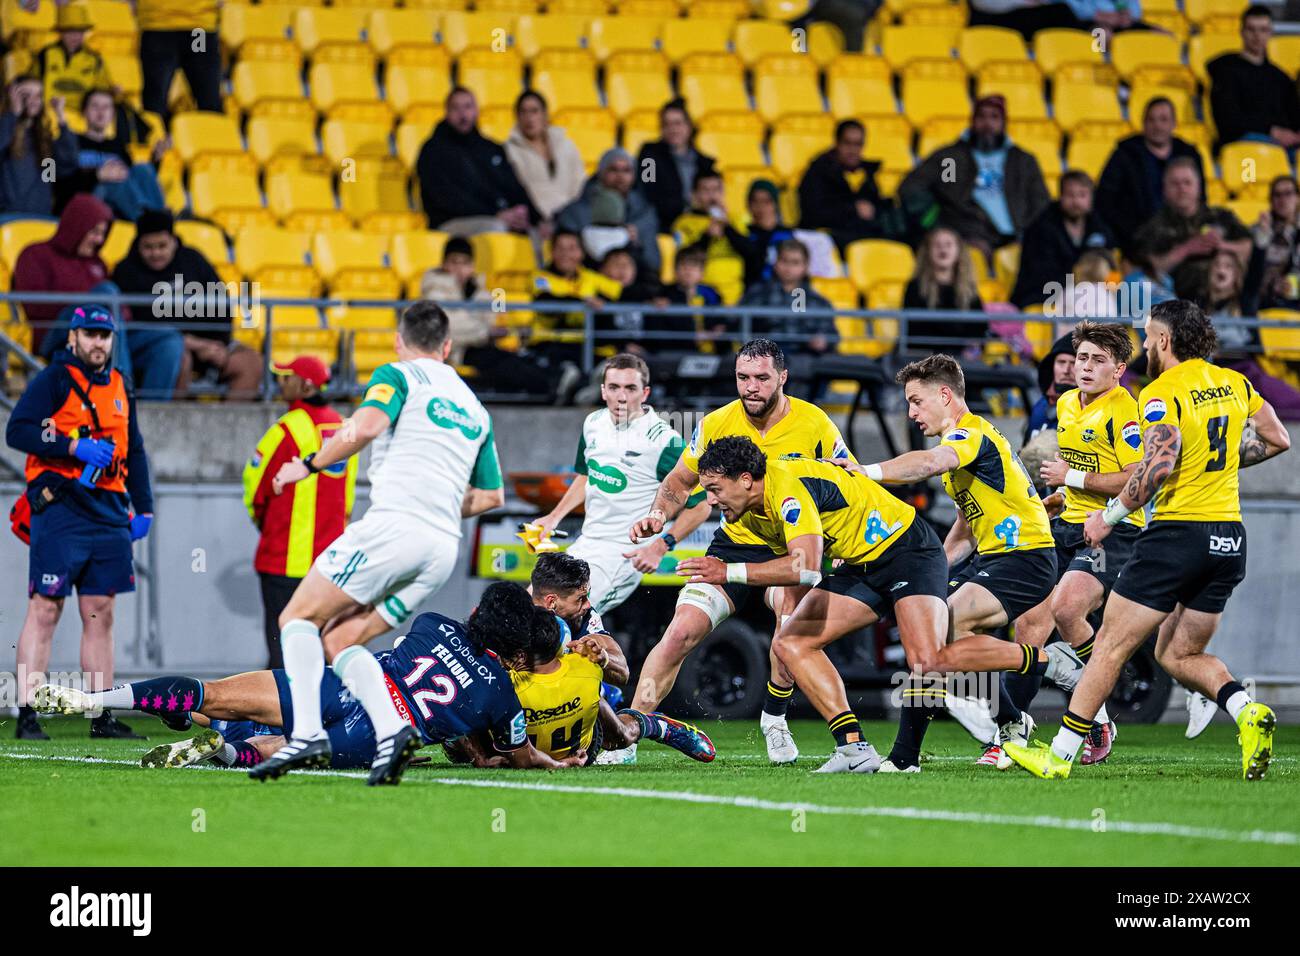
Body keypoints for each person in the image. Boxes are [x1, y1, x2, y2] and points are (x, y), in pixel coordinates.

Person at [1005, 299, 1292, 780]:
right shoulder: (1236, 383)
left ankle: (1057, 757)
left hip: (1177, 534)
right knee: (1177, 655)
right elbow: (1277, 438)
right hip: (1228, 539)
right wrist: (1212, 465)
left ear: (1163, 339)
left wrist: (1110, 515)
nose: (1146, 344)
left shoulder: (1161, 393)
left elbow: (1155, 468)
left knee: (1109, 647)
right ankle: (1246, 710)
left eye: (1148, 334)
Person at [247, 301, 506, 786]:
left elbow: (364, 427)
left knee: (295, 618)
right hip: (441, 547)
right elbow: (492, 495)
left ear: (398, 341)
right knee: (340, 639)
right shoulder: (475, 407)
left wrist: (309, 465)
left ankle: (304, 736)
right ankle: (392, 732)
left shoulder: (398, 375)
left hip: (394, 527)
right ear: (448, 347)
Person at [34, 584, 593, 772]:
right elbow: (519, 756)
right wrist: (556, 761)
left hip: (344, 682)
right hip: (380, 729)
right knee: (279, 747)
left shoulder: (432, 624)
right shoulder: (501, 699)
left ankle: (95, 697)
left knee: (217, 694)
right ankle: (223, 752)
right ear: (514, 649)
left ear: (476, 617)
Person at [618, 338, 855, 766]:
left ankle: (775, 719)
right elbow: (678, 482)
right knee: (679, 633)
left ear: (783, 377)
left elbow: (849, 479)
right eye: (743, 378)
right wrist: (658, 515)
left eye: (762, 378)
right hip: (732, 547)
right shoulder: (715, 423)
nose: (751, 387)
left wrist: (839, 542)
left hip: (790, 547)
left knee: (788, 628)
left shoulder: (815, 423)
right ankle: (630, 734)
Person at [833, 354, 1064, 772]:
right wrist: (928, 572)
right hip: (995, 558)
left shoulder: (970, 436)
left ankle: (1044, 665)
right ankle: (995, 726)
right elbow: (966, 528)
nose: (912, 413)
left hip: (1026, 559)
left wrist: (865, 470)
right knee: (932, 646)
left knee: (941, 633)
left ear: (945, 394)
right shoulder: (962, 449)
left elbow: (926, 463)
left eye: (916, 402)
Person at [679, 437, 949, 774]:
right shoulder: (745, 512)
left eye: (716, 489)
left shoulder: (786, 490)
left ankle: (1009, 711)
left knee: (927, 660)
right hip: (859, 565)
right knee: (792, 642)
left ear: (745, 479)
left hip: (907, 550)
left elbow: (804, 566)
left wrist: (727, 571)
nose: (711, 499)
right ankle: (854, 748)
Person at [998, 323, 1147, 767]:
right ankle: (1084, 717)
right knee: (1028, 625)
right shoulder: (1065, 403)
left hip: (1114, 527)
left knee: (1066, 609)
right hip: (1068, 524)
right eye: (1082, 358)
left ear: (1119, 369)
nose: (1085, 367)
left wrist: (1073, 479)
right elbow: (1082, 475)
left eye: (1098, 360)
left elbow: (1137, 479)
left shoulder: (1125, 412)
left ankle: (1085, 710)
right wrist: (1060, 497)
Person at [6, 304, 153, 741]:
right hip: (62, 507)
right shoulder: (55, 378)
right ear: (73, 338)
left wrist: (144, 507)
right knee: (46, 607)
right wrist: (72, 447)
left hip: (109, 510)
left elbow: (136, 448)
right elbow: (18, 430)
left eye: (104, 336)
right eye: (89, 334)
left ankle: (100, 714)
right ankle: (28, 714)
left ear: (112, 340)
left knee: (101, 612)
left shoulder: (121, 383)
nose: (97, 343)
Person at [534, 353, 711, 618]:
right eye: (614, 387)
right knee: (530, 610)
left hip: (622, 556)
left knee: (558, 621)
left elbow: (702, 506)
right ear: (603, 391)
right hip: (585, 543)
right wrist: (553, 517)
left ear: (645, 392)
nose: (621, 396)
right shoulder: (593, 424)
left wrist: (659, 547)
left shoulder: (664, 441)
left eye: (630, 388)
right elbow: (586, 475)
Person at [242, 356, 358, 670]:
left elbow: (255, 488)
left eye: (286, 377)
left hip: (283, 558)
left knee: (282, 647)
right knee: (321, 645)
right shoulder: (345, 429)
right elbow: (347, 499)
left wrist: (265, 525)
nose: (280, 383)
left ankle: (280, 715)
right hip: (329, 563)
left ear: (305, 385)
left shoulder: (287, 429)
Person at [111, 208, 263, 398]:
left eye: (162, 245)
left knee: (251, 363)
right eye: (148, 247)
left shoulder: (193, 260)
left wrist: (218, 345)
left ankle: (220, 427)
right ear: (137, 245)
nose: (156, 253)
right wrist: (192, 344)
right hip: (165, 349)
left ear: (174, 241)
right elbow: (143, 323)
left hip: (208, 346)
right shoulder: (126, 271)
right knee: (178, 359)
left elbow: (221, 304)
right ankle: (176, 427)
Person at [900, 95, 1050, 257]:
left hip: (1017, 237)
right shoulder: (951, 159)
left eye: (994, 117)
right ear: (972, 121)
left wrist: (1029, 236)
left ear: (1004, 122)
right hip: (968, 235)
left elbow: (1040, 203)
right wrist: (942, 228)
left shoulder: (1022, 161)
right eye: (981, 117)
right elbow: (926, 190)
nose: (987, 124)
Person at [420, 236, 552, 396]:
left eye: (465, 263)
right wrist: (486, 332)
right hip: (455, 353)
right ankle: (552, 386)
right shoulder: (434, 291)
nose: (459, 269)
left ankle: (555, 381)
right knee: (503, 363)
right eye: (454, 262)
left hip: (481, 347)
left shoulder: (480, 291)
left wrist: (495, 329)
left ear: (472, 266)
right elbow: (449, 328)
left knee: (514, 359)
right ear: (444, 264)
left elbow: (495, 317)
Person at [416, 87, 538, 236]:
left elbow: (513, 186)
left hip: (497, 217)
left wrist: (524, 213)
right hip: (452, 223)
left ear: (476, 110)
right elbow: (447, 199)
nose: (462, 114)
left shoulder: (491, 149)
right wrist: (495, 214)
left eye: (467, 107)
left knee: (539, 234)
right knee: (495, 228)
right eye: (455, 108)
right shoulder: (433, 150)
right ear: (447, 112)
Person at [1131, 156, 1251, 301]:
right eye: (1175, 184)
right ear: (1165, 189)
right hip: (1176, 305)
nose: (1182, 189)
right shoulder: (1153, 225)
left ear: (1198, 186)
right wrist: (1185, 250)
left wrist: (1222, 245)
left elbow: (1249, 247)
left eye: (1187, 183)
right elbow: (1147, 272)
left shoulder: (1220, 216)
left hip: (1224, 302)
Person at [1094, 97, 1206, 252]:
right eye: (1151, 120)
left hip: (1182, 238)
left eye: (1163, 119)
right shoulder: (1124, 155)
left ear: (1174, 123)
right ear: (1143, 123)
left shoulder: (1189, 154)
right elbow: (1105, 201)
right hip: (1136, 242)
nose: (1157, 125)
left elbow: (1201, 198)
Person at [1200, 248, 1300, 421]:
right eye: (1216, 265)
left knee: (1284, 397)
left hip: (1243, 369)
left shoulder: (1244, 302)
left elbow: (1254, 277)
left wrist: (1260, 246)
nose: (1220, 269)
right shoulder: (1197, 304)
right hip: (1210, 374)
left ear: (1237, 275)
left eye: (1228, 266)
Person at [12, 192, 113, 358]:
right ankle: (118, 380)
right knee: (104, 294)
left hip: (98, 335)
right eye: (94, 232)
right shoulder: (35, 254)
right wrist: (85, 303)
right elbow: (34, 306)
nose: (99, 240)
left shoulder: (98, 263)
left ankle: (123, 380)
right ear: (77, 226)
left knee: (167, 343)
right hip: (54, 336)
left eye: (103, 234)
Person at [1011, 170, 1114, 309]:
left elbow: (1108, 264)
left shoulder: (1100, 227)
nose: (1076, 201)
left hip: (1087, 295)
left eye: (1082, 195)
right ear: (1060, 196)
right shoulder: (1041, 227)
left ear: (1091, 198)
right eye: (1070, 195)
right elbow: (1040, 276)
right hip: (1043, 296)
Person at [62, 88, 167, 220]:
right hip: (87, 198)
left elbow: (134, 182)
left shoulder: (117, 145)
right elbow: (59, 182)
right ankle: (149, 222)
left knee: (143, 169)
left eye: (106, 107)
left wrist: (156, 159)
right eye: (95, 106)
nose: (101, 112)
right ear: (84, 111)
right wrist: (97, 175)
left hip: (119, 203)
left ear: (112, 114)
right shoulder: (71, 141)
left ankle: (158, 218)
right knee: (115, 183)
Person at [1207, 5, 1300, 153]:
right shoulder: (1225, 72)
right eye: (1251, 29)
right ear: (1242, 32)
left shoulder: (1281, 78)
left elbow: (1294, 115)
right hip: (1244, 148)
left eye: (1263, 30)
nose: (1257, 36)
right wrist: (1271, 131)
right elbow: (1228, 121)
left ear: (1270, 33)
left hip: (1285, 148)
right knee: (1250, 173)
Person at [556, 147, 661, 274]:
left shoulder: (645, 213)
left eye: (626, 170)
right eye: (613, 169)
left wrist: (636, 243)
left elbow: (653, 263)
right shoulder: (575, 212)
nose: (620, 176)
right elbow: (565, 259)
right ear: (601, 172)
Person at [738, 238, 838, 358]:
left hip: (805, 362)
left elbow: (831, 334)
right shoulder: (757, 294)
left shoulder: (819, 303)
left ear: (805, 266)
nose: (788, 267)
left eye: (795, 262)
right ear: (776, 263)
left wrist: (823, 341)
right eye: (784, 261)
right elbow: (735, 323)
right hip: (763, 360)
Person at [796, 119, 884, 250]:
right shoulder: (818, 172)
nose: (853, 150)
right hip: (829, 238)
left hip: (861, 235)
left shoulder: (867, 174)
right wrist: (853, 209)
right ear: (837, 143)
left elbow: (876, 207)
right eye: (847, 143)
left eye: (858, 144)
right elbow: (812, 213)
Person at [637, 98, 718, 234]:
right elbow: (646, 191)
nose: (673, 129)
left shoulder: (705, 163)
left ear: (689, 126)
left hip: (699, 226)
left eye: (677, 123)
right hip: (663, 226)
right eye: (666, 125)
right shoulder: (649, 156)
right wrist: (687, 203)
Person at [0, 74, 77, 218]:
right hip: (8, 218)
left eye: (38, 96)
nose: (33, 101)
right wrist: (13, 115)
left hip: (42, 216)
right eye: (25, 95)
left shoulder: (44, 139)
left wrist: (61, 117)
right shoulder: (5, 128)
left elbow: (66, 165)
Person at [503, 90, 585, 223]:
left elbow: (579, 184)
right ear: (517, 117)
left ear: (545, 115)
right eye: (524, 112)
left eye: (534, 111)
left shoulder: (566, 145)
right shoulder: (508, 151)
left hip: (570, 219)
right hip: (534, 220)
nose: (529, 118)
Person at [903, 226, 985, 353]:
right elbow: (914, 331)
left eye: (948, 244)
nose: (943, 249)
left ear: (959, 251)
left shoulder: (969, 289)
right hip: (926, 360)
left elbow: (979, 329)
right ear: (928, 251)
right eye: (937, 245)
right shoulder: (915, 287)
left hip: (963, 361)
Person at [671, 170, 749, 303]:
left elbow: (750, 254)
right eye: (705, 190)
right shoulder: (683, 223)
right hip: (699, 293)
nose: (712, 196)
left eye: (716, 190)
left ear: (723, 193)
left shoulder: (737, 220)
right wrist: (707, 236)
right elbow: (684, 260)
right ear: (695, 194)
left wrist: (728, 228)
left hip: (736, 294)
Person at [136, 0, 221, 121]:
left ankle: (155, 137)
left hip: (159, 25)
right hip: (197, 27)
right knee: (208, 102)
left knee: (155, 102)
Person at [646, 246, 725, 352]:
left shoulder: (711, 293)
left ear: (702, 273)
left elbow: (721, 323)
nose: (688, 270)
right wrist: (655, 303)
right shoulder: (664, 292)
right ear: (675, 270)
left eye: (693, 266)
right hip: (675, 350)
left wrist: (712, 333)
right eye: (683, 265)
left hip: (710, 350)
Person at [34, 4, 113, 108]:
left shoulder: (95, 59)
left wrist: (114, 92)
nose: (75, 36)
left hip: (83, 118)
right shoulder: (45, 54)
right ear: (61, 32)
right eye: (70, 31)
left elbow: (103, 90)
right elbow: (32, 84)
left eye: (80, 31)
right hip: (49, 114)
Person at [1252, 175, 1300, 310]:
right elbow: (1250, 275)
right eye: (1277, 195)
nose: (1282, 200)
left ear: (1298, 198)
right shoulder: (1259, 229)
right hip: (1265, 301)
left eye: (1288, 194)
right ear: (1271, 200)